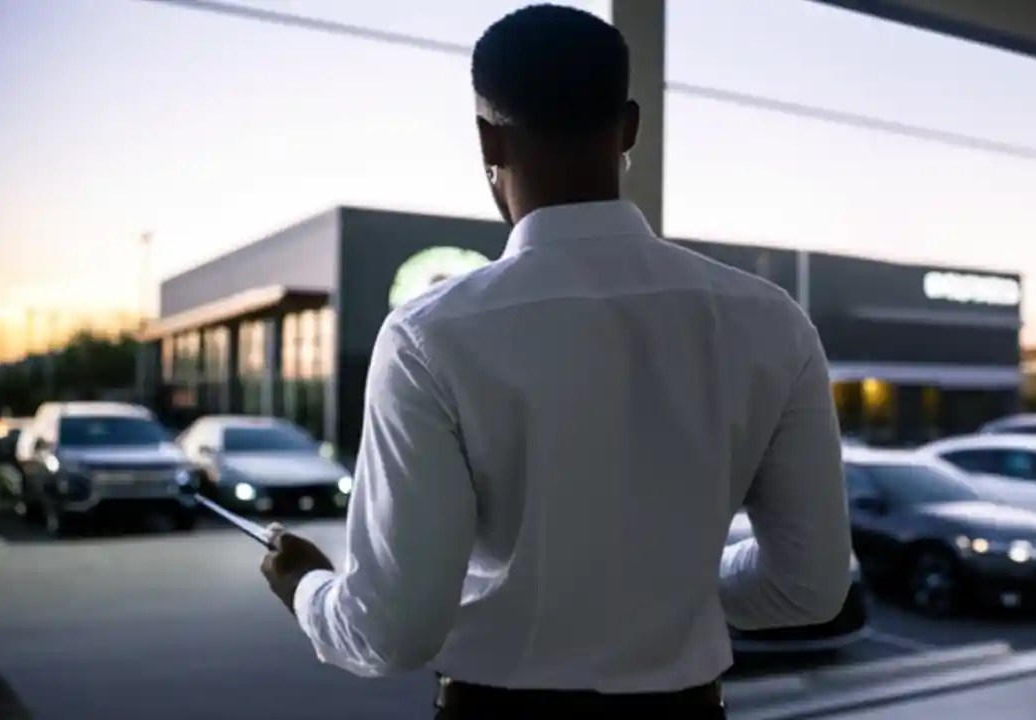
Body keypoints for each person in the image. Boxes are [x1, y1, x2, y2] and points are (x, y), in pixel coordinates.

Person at [259, 5, 851, 717]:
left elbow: (391, 629)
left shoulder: (428, 335)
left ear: (487, 138)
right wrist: (666, 584)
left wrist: (306, 588)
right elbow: (809, 587)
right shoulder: (770, 320)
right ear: (629, 127)